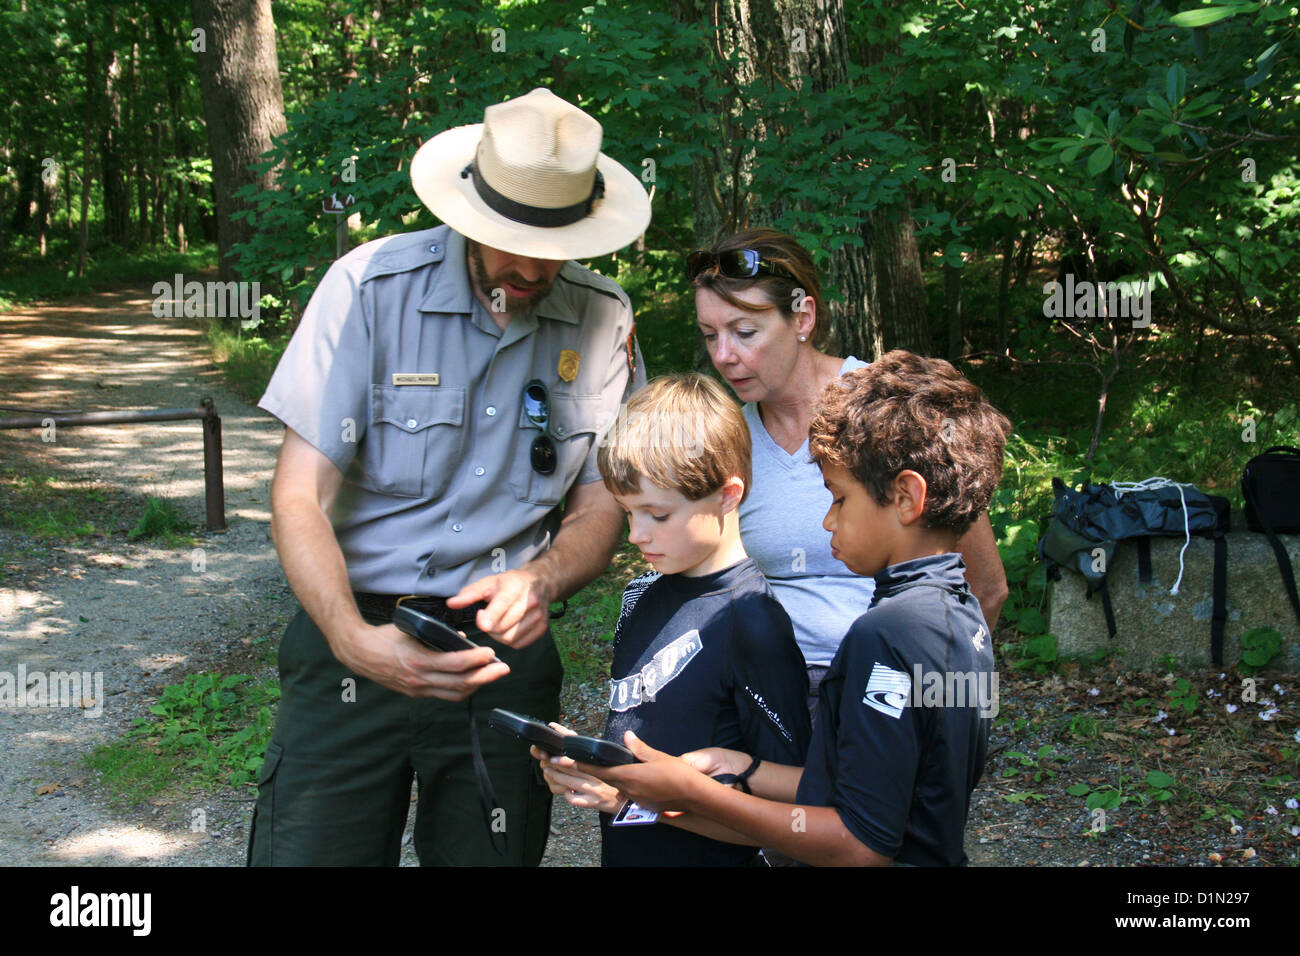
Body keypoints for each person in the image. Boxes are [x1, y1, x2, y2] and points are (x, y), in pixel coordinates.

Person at [246, 88, 651, 866]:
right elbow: (299, 495)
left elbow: (604, 502)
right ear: (470, 214)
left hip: (503, 659)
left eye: (555, 243)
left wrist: (543, 579)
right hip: (353, 640)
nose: (532, 267)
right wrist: (353, 642)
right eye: (510, 241)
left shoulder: (606, 317)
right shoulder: (369, 289)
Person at [579, 351, 1012, 866]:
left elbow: (859, 843)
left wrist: (692, 796)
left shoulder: (888, 634)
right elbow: (869, 786)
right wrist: (740, 767)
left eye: (838, 498)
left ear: (906, 497)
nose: (828, 522)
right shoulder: (960, 614)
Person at [689, 229, 1009, 721]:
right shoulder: (727, 442)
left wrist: (934, 708)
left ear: (803, 317)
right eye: (710, 335)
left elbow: (985, 586)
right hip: (772, 701)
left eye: (744, 332)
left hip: (887, 693)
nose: (723, 355)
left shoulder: (896, 412)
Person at [533, 374, 811, 866]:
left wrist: (628, 803)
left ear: (728, 494)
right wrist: (593, 768)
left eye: (657, 515)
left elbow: (792, 818)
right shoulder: (640, 594)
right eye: (627, 512)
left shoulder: (752, 621)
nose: (636, 535)